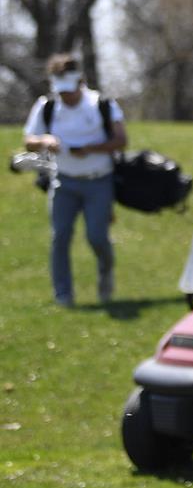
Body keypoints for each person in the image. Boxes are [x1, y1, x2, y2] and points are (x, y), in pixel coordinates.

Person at [21, 54, 127, 308]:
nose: (66, 97)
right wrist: (45, 141)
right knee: (60, 237)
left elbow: (121, 140)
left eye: (70, 91)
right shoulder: (47, 106)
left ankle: (105, 272)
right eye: (62, 92)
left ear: (80, 82)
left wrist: (92, 148)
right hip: (63, 182)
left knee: (96, 236)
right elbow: (29, 140)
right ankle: (63, 296)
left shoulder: (101, 104)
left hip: (97, 181)